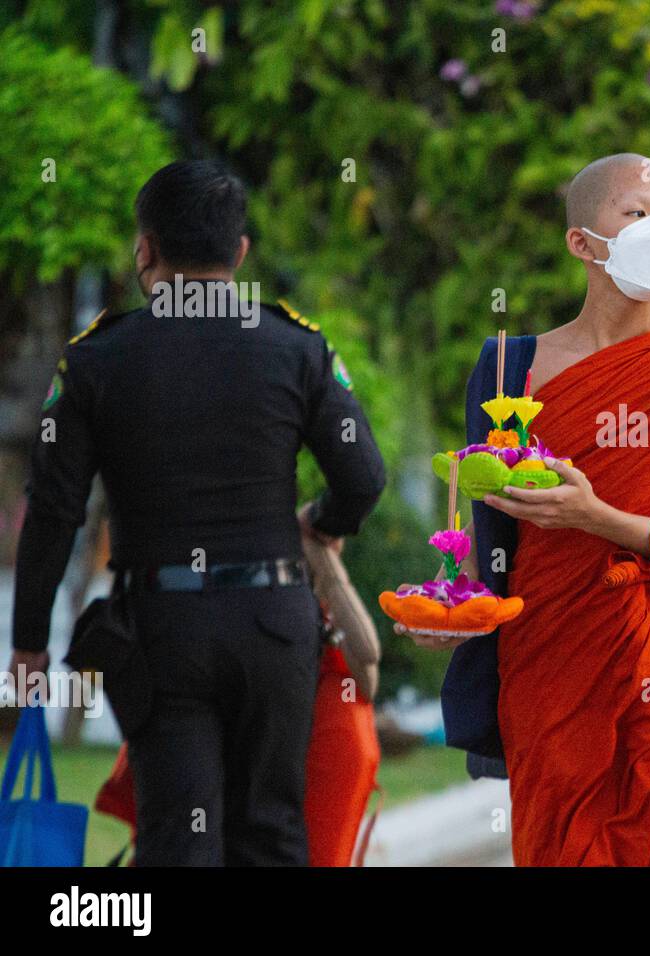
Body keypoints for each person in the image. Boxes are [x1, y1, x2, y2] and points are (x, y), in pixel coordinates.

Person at [5, 160, 386, 865]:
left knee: (180, 842)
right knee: (271, 836)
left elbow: (54, 510)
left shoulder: (96, 361)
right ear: (239, 252)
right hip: (275, 627)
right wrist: (322, 525)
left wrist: (29, 645)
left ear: (145, 249)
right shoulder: (297, 346)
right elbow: (363, 477)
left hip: (162, 631)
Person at [421, 153, 650, 866]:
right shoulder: (510, 366)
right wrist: (458, 610)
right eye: (637, 214)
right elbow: (491, 532)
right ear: (581, 243)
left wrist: (597, 518)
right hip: (546, 657)